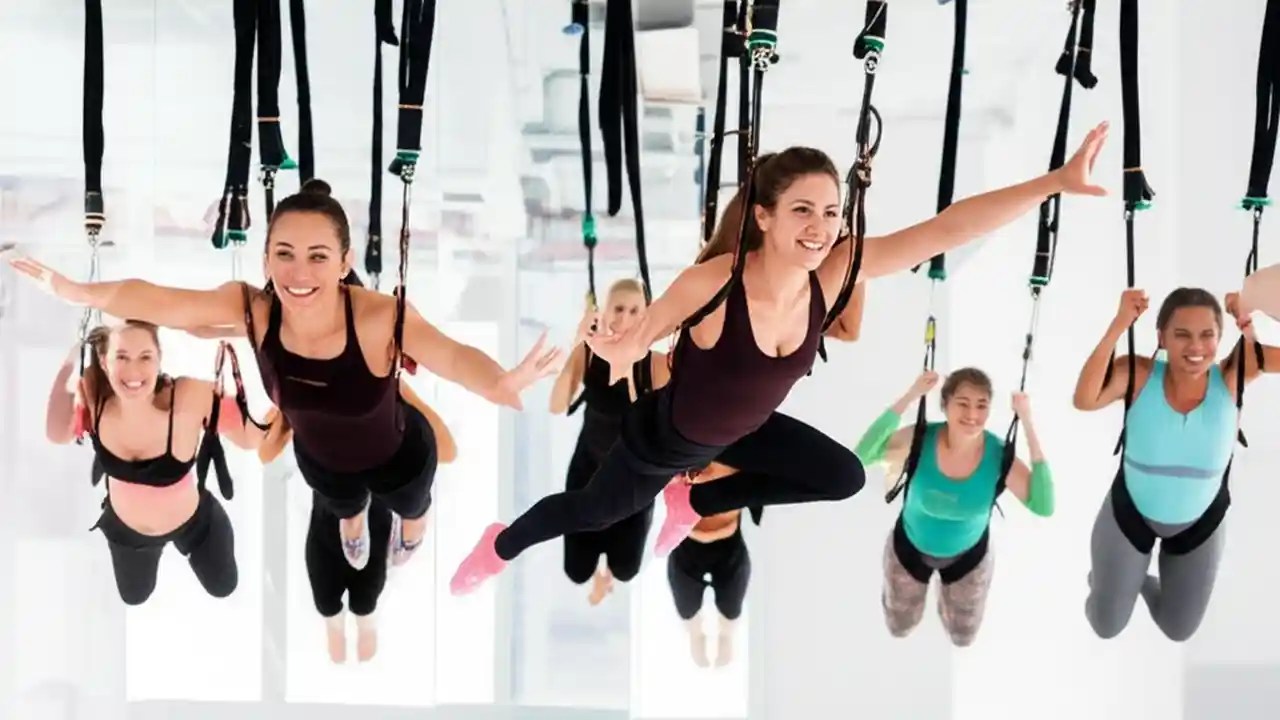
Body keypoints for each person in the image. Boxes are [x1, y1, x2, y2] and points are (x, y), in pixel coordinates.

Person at [448, 122, 1112, 596]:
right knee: (594, 511)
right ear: (764, 216)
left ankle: (699, 498)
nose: (821, 225)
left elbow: (944, 229)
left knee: (845, 475)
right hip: (663, 438)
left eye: (830, 210)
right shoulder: (717, 283)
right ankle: (499, 545)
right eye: (802, 210)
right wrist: (619, 347)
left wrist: (1052, 182)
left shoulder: (836, 270)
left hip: (746, 430)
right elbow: (646, 332)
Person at [9, 179, 561, 574]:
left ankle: (410, 532)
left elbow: (454, 355)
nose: (299, 273)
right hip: (321, 460)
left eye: (318, 256)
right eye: (284, 254)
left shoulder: (376, 318)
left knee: (412, 507)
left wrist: (498, 382)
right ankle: (352, 524)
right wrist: (81, 293)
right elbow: (158, 300)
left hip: (398, 453)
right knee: (343, 507)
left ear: (345, 262)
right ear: (267, 259)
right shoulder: (253, 309)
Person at [1073, 287, 1280, 641]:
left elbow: (1265, 356)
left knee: (1178, 629)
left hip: (1200, 524)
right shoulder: (1140, 374)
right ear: (1162, 338)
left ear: (1220, 338)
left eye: (1207, 335)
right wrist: (1118, 324)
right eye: (1181, 334)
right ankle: (1109, 583)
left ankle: (1133, 581)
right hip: (1130, 515)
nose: (1195, 347)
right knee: (1106, 625)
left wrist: (1251, 313)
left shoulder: (1231, 377)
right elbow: (1085, 399)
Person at [44, 321, 264, 605]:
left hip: (193, 521)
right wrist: (73, 356)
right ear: (104, 360)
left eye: (145, 357)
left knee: (224, 585)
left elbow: (251, 437)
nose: (133, 371)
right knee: (134, 596)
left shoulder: (188, 398)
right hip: (127, 530)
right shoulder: (95, 396)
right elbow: (57, 432)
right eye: (121, 357)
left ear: (159, 358)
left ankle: (207, 513)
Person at [255, 386, 458, 664]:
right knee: (326, 598)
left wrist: (399, 390)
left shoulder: (384, 385)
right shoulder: (306, 388)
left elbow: (445, 450)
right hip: (335, 506)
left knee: (365, 598)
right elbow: (266, 452)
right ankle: (337, 626)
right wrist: (288, 411)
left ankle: (363, 624)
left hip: (370, 506)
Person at [854, 368, 1053, 646]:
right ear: (945, 405)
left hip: (968, 560)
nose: (972, 414)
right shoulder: (921, 440)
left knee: (963, 637)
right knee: (899, 626)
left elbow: (1043, 505)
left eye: (981, 405)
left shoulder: (998, 455)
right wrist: (911, 395)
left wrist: (1028, 422)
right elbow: (862, 455)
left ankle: (947, 604)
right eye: (963, 403)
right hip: (908, 550)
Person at [548, 278, 672, 605]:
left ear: (645, 316)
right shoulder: (588, 355)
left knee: (626, 568)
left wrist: (631, 367)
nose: (625, 318)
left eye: (634, 311)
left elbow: (669, 424)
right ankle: (595, 579)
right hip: (587, 470)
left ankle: (609, 579)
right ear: (603, 313)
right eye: (618, 309)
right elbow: (556, 405)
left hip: (634, 479)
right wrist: (577, 345)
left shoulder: (655, 364)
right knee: (575, 571)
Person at [666, 503, 754, 668]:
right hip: (687, 544)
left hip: (728, 545)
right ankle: (696, 633)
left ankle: (726, 634)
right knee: (686, 607)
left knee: (731, 607)